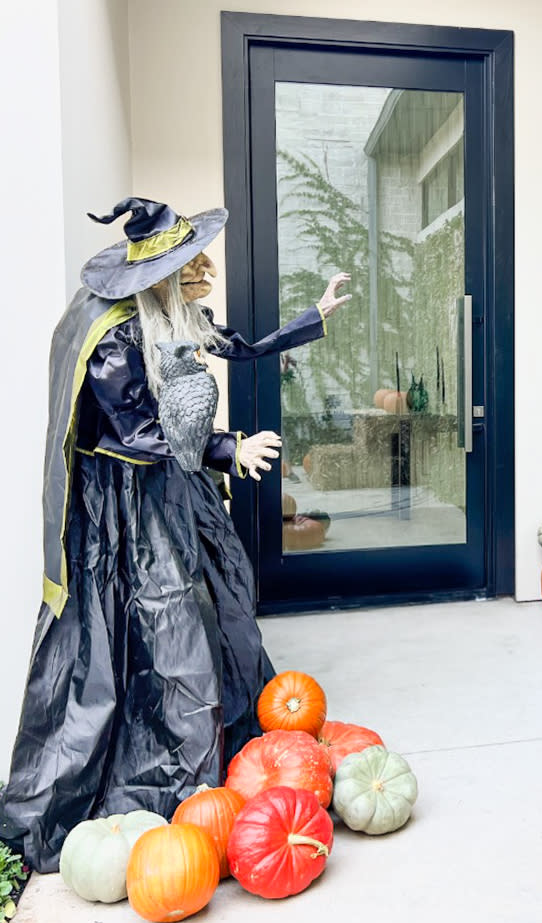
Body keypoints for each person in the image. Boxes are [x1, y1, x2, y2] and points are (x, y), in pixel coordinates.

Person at [0, 197, 351, 872]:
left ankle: (213, 752)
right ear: (157, 277)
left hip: (171, 478)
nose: (204, 272)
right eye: (190, 264)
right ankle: (172, 779)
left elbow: (233, 345)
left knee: (205, 604)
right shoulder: (112, 338)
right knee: (163, 622)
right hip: (124, 498)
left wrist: (311, 318)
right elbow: (136, 433)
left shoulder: (170, 314)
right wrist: (229, 448)